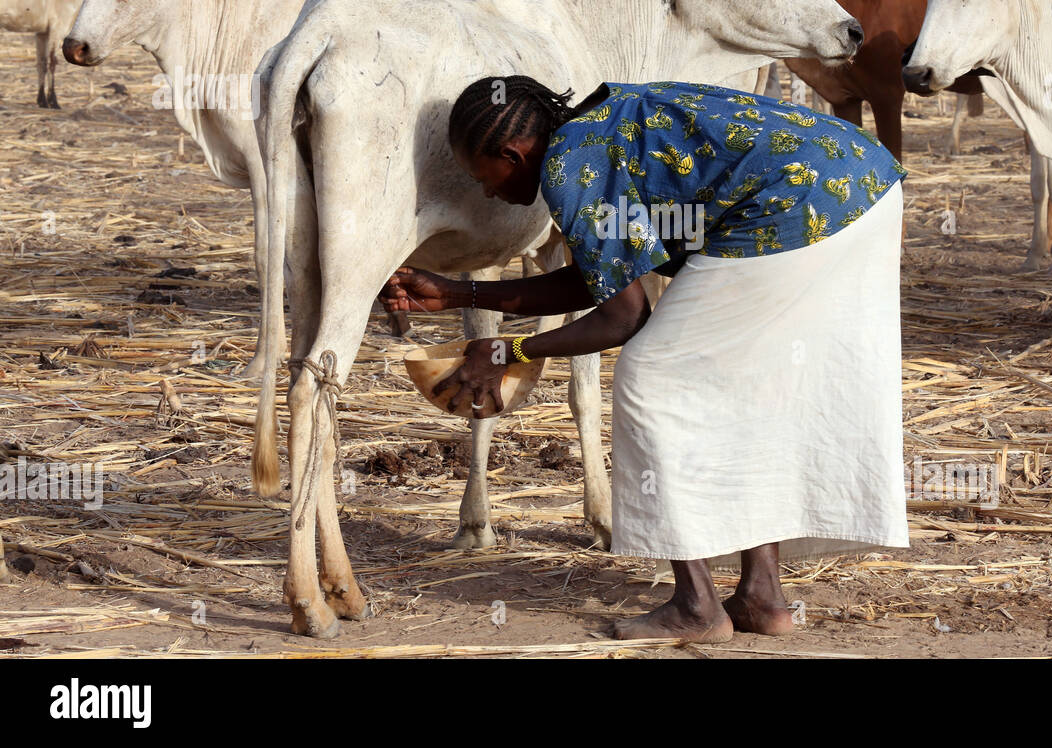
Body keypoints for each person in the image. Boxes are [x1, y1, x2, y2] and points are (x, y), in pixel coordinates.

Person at [381, 76, 909, 643]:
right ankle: (762, 597)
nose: (486, 193)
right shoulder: (594, 133)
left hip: (795, 208)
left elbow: (624, 318)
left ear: (513, 153)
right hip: (858, 180)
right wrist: (461, 293)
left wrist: (512, 351)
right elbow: (602, 280)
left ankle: (696, 607)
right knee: (745, 386)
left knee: (650, 378)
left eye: (482, 176)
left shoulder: (569, 165)